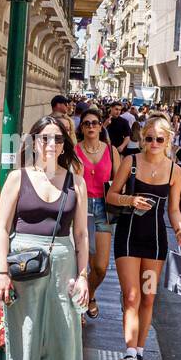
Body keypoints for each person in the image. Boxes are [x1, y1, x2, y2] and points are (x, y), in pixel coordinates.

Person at [0, 115, 90, 360]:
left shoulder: (75, 179)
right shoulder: (18, 178)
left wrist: (85, 275)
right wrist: (1, 272)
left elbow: (82, 233)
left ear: (65, 144)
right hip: (23, 263)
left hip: (63, 264)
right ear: (34, 142)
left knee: (61, 332)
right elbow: (1, 228)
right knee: (25, 329)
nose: (51, 145)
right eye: (45, 138)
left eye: (58, 139)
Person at [106, 114, 181, 360]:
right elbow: (111, 195)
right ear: (143, 139)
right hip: (127, 239)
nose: (154, 142)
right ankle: (130, 353)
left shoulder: (175, 170)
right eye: (149, 138)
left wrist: (179, 230)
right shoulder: (130, 162)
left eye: (159, 139)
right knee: (131, 296)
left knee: (148, 298)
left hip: (155, 244)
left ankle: (140, 353)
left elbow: (174, 209)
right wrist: (130, 201)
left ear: (167, 142)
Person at [73, 106, 120, 319]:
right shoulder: (74, 150)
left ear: (101, 127)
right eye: (86, 123)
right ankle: (80, 303)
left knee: (100, 267)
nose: (91, 126)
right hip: (80, 208)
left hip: (103, 208)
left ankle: (90, 293)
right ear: (81, 128)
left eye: (94, 123)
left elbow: (119, 182)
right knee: (81, 264)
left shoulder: (111, 151)